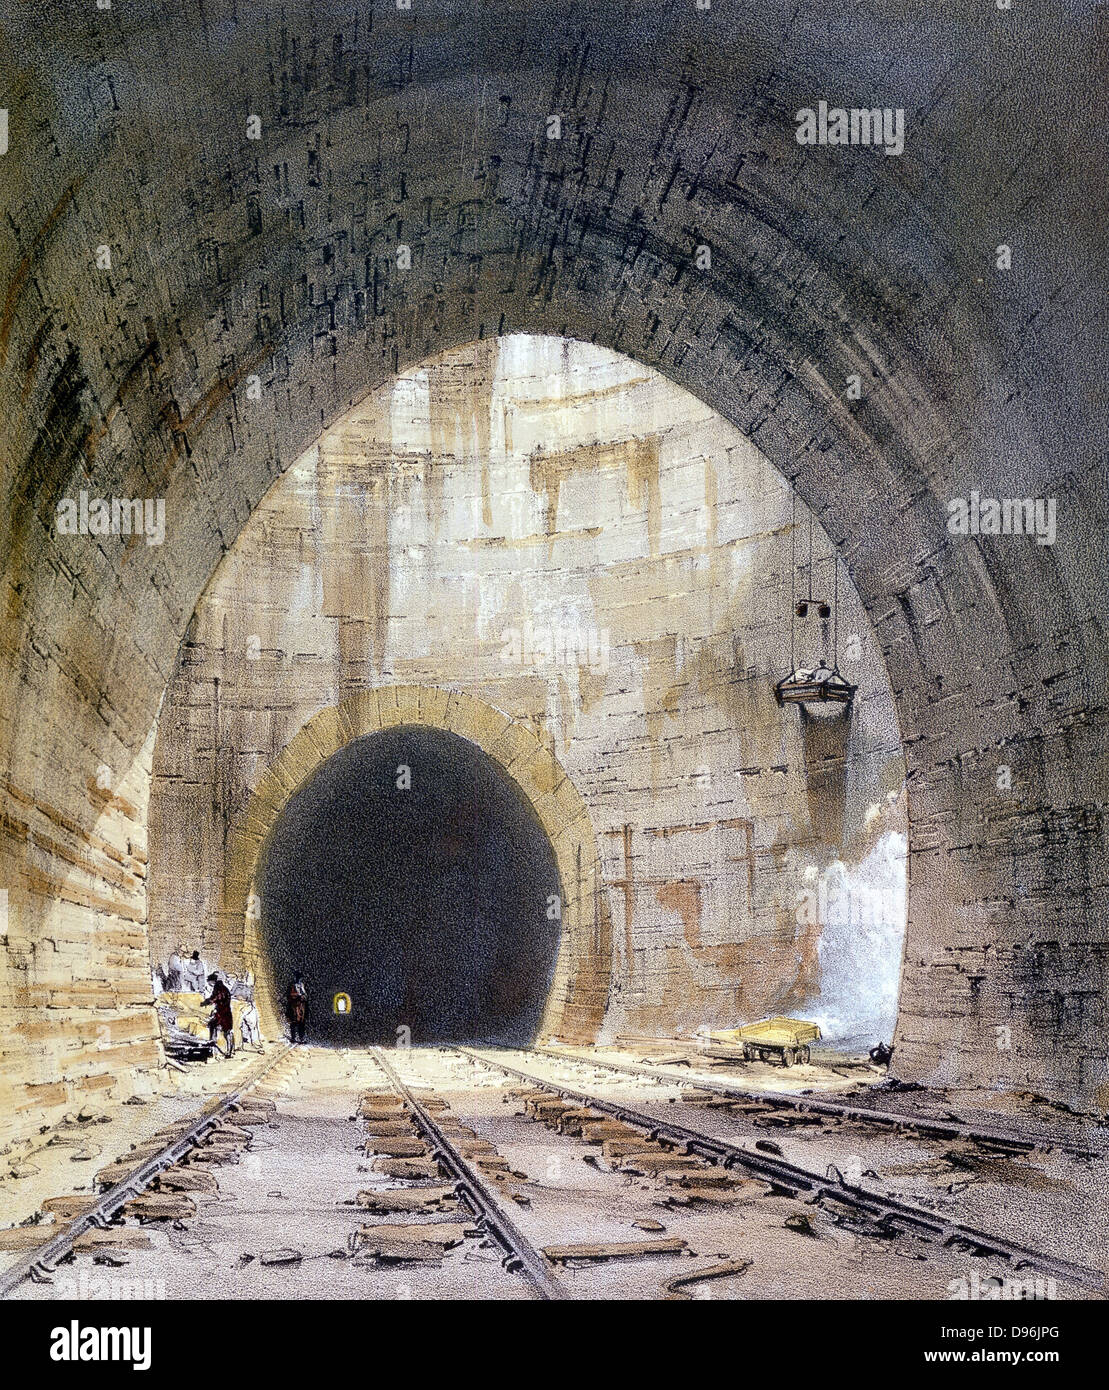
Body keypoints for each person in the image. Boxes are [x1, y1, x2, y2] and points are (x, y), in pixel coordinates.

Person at [202, 972, 235, 1057]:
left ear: (212, 981)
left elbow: (217, 997)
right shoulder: (222, 987)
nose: (209, 985)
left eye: (209, 983)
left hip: (222, 1013)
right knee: (225, 1030)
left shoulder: (219, 988)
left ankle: (217, 1050)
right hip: (225, 1012)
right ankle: (228, 1051)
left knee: (222, 1030)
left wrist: (206, 1002)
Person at [285, 972, 308, 1044]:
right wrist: (296, 996)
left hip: (301, 1006)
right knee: (293, 1022)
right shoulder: (291, 985)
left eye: (300, 978)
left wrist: (303, 997)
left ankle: (302, 1038)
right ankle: (293, 1037)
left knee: (301, 1022)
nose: (299, 979)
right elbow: (288, 995)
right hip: (294, 1006)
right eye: (298, 977)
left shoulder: (302, 985)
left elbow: (305, 995)